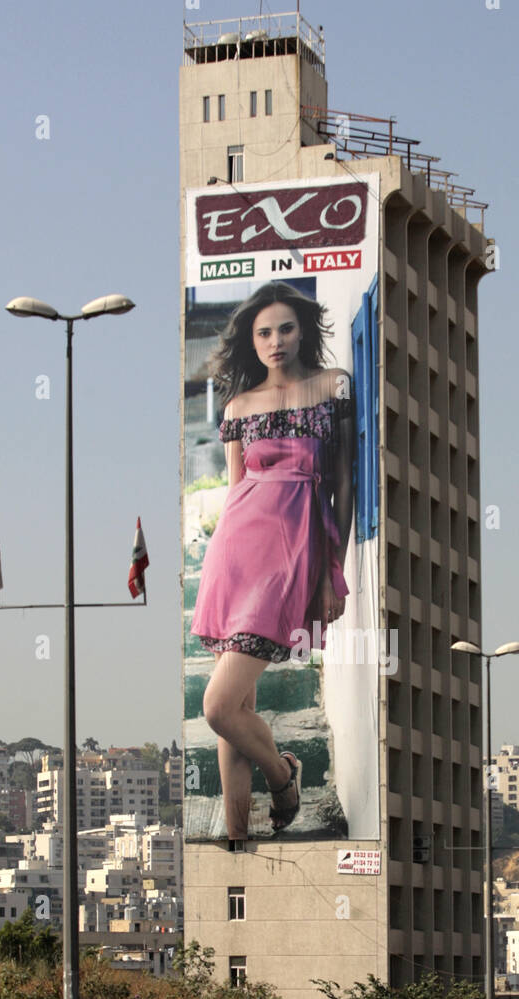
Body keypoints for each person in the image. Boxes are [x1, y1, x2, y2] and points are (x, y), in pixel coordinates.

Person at [190, 281, 354, 840]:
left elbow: (343, 483)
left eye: (285, 328)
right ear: (251, 341)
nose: (276, 340)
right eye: (264, 332)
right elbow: (237, 490)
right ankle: (238, 837)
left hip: (293, 553)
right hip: (236, 554)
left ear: (302, 329)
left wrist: (334, 570)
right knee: (232, 709)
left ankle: (284, 777)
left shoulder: (333, 387)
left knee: (217, 707)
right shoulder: (238, 406)